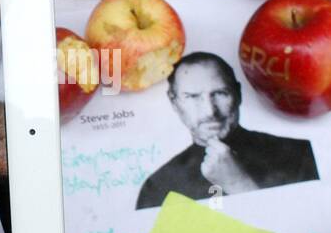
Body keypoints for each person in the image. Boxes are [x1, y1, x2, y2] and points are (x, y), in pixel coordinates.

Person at [136, 52, 319, 210]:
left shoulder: (301, 155)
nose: (210, 111)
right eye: (192, 97)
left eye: (220, 93)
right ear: (174, 102)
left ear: (238, 94)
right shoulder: (158, 187)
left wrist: (238, 184)